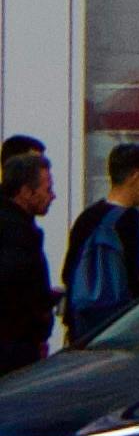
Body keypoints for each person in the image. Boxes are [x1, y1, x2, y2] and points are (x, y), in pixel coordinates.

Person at [59, 145, 139, 346]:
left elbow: (68, 271)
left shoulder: (88, 216)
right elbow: (133, 276)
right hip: (113, 323)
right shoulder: (127, 219)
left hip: (81, 322)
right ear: (135, 176)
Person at [0, 142, 55, 373]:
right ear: (25, 192)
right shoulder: (16, 236)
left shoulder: (19, 230)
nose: (53, 196)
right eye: (47, 188)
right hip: (13, 351)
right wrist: (41, 311)